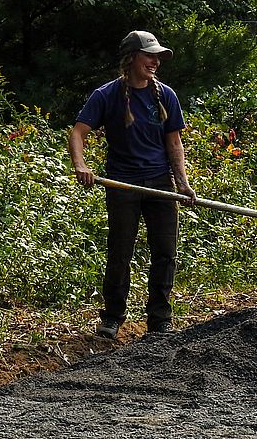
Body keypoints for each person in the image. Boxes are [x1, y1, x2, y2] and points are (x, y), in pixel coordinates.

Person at [70, 30, 196, 339]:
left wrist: (182, 182)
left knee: (165, 252)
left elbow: (174, 142)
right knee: (120, 251)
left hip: (159, 182)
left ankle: (160, 320)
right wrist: (81, 165)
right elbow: (78, 132)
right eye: (149, 55)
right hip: (122, 182)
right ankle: (112, 317)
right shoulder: (107, 95)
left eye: (157, 57)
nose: (155, 61)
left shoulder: (165, 95)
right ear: (131, 58)